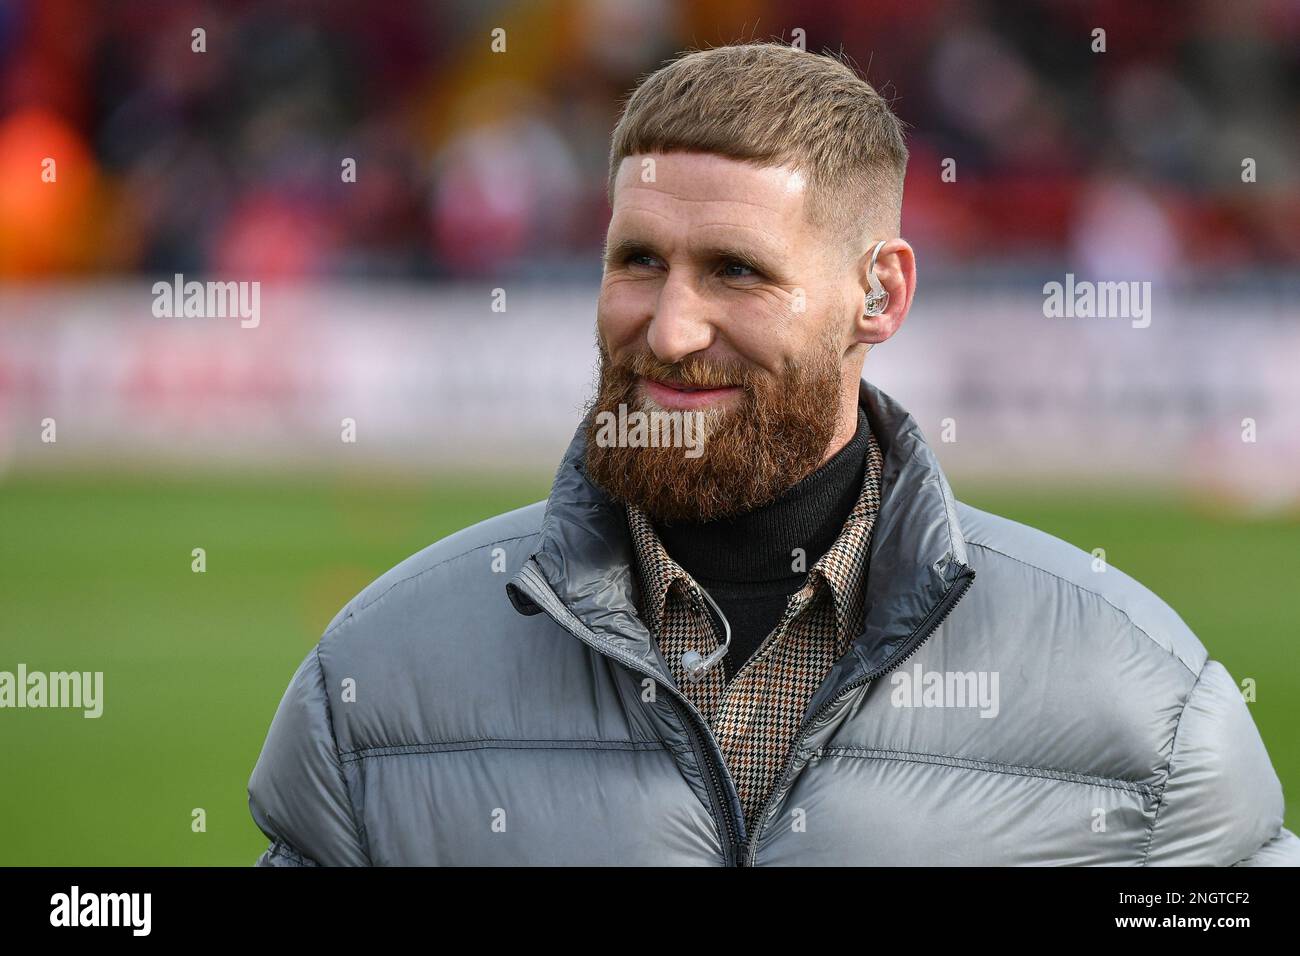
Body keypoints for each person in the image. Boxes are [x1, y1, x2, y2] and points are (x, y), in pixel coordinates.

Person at [247, 41, 1298, 866]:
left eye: (735, 272)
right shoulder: (376, 685)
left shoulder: (1140, 705)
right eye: (638, 260)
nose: (666, 330)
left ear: (878, 295)